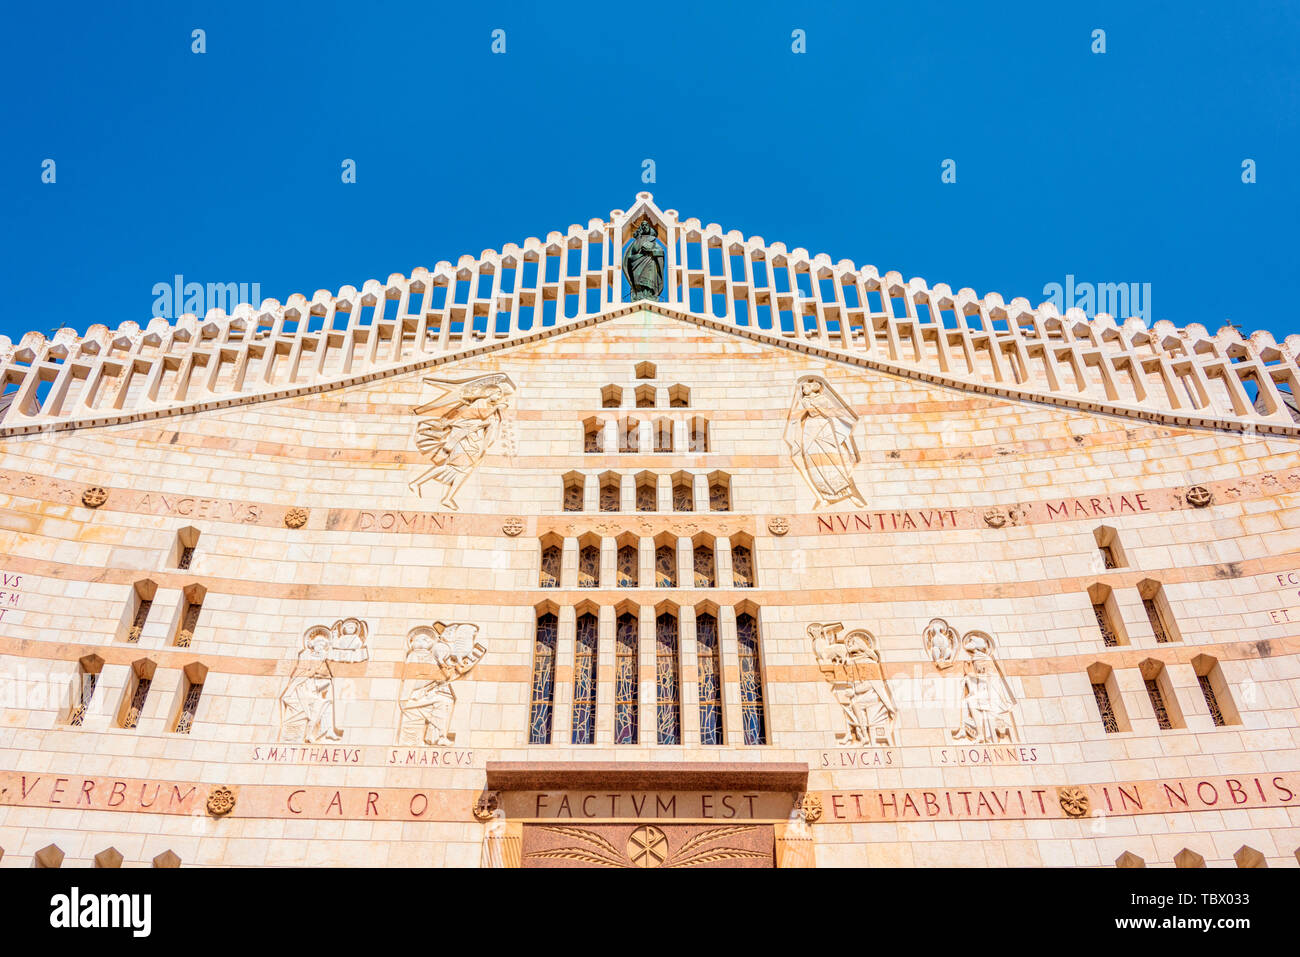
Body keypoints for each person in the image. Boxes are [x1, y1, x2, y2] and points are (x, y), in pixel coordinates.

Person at [785, 377, 867, 508]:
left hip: (825, 428)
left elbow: (834, 412)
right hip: (809, 431)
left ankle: (849, 494)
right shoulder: (802, 402)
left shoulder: (823, 399)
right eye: (803, 388)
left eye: (805, 387)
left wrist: (819, 408)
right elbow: (794, 416)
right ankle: (824, 497)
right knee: (814, 461)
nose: (803, 389)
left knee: (834, 459)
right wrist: (805, 410)